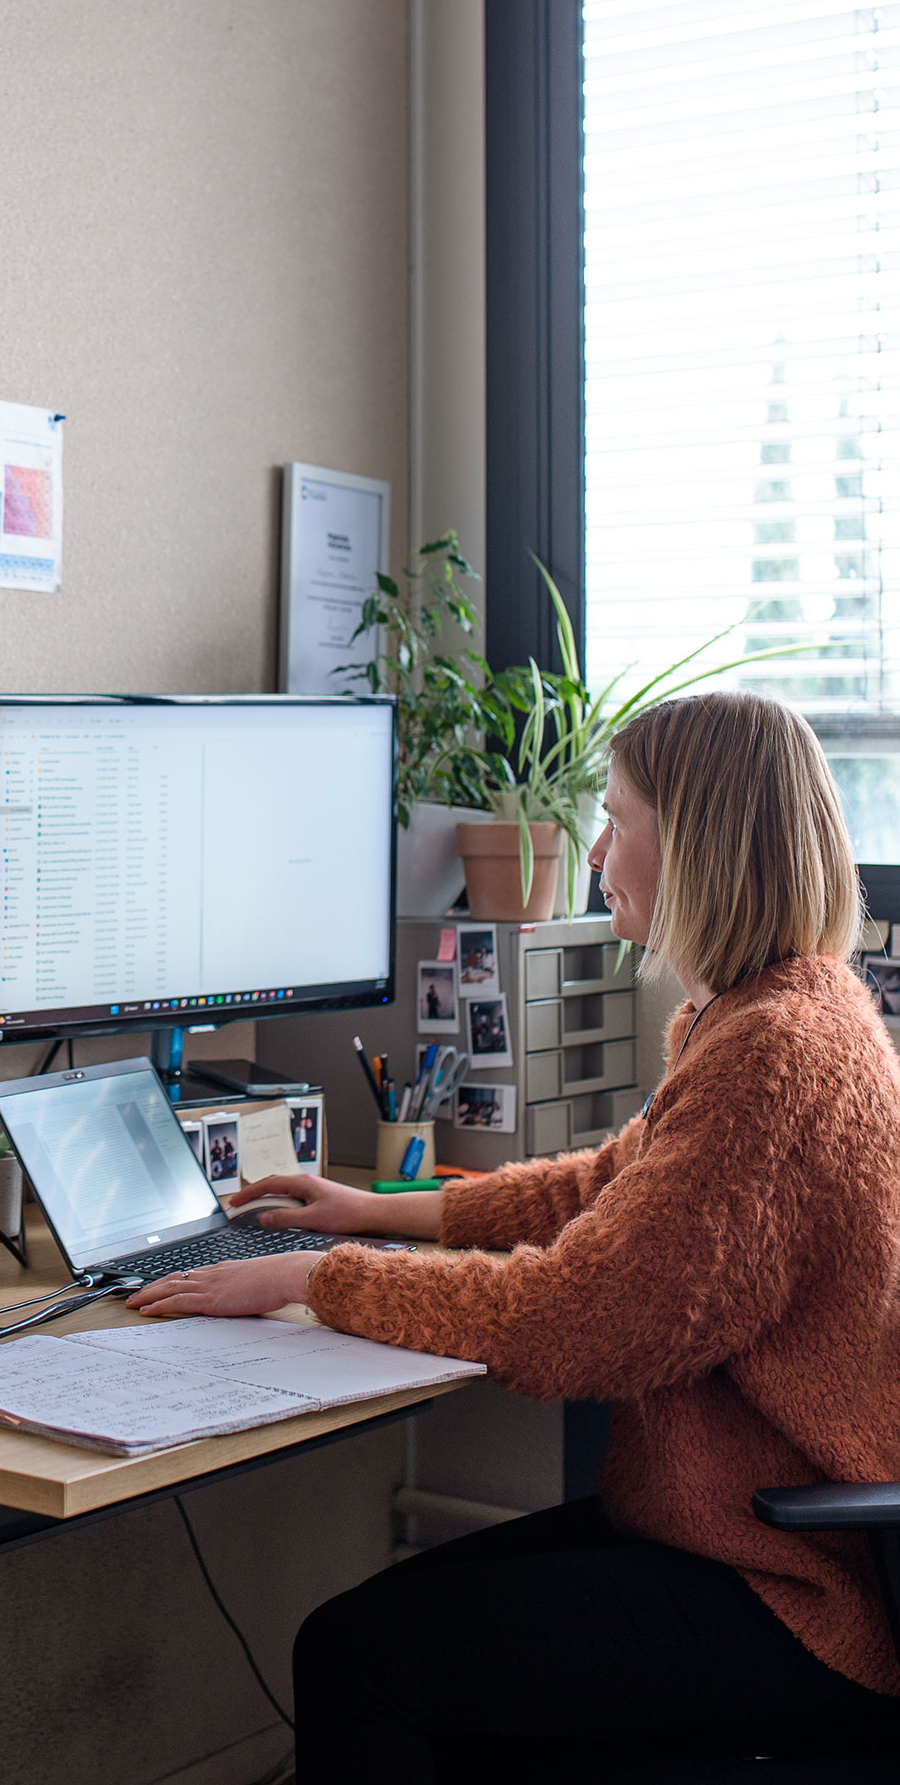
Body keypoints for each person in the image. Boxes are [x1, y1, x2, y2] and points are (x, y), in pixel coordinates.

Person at [126, 694, 900, 1779]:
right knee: (394, 1644)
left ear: (697, 845)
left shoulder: (773, 1057)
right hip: (741, 1533)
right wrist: (379, 1210)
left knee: (361, 1659)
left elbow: (577, 1320)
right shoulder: (769, 1013)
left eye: (617, 820)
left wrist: (318, 1277)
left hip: (792, 1589)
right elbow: (605, 1187)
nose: (596, 853)